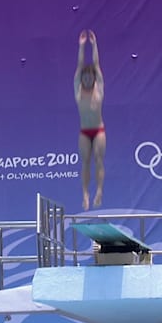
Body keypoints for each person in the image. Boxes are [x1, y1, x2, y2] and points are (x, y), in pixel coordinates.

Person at [74, 29, 106, 211]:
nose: (86, 79)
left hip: (99, 130)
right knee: (85, 162)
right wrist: (81, 47)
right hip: (85, 132)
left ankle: (99, 191)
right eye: (84, 77)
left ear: (94, 78)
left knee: (99, 160)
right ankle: (85, 194)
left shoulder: (98, 89)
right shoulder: (78, 90)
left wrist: (94, 46)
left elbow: (96, 64)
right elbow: (79, 67)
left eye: (89, 77)